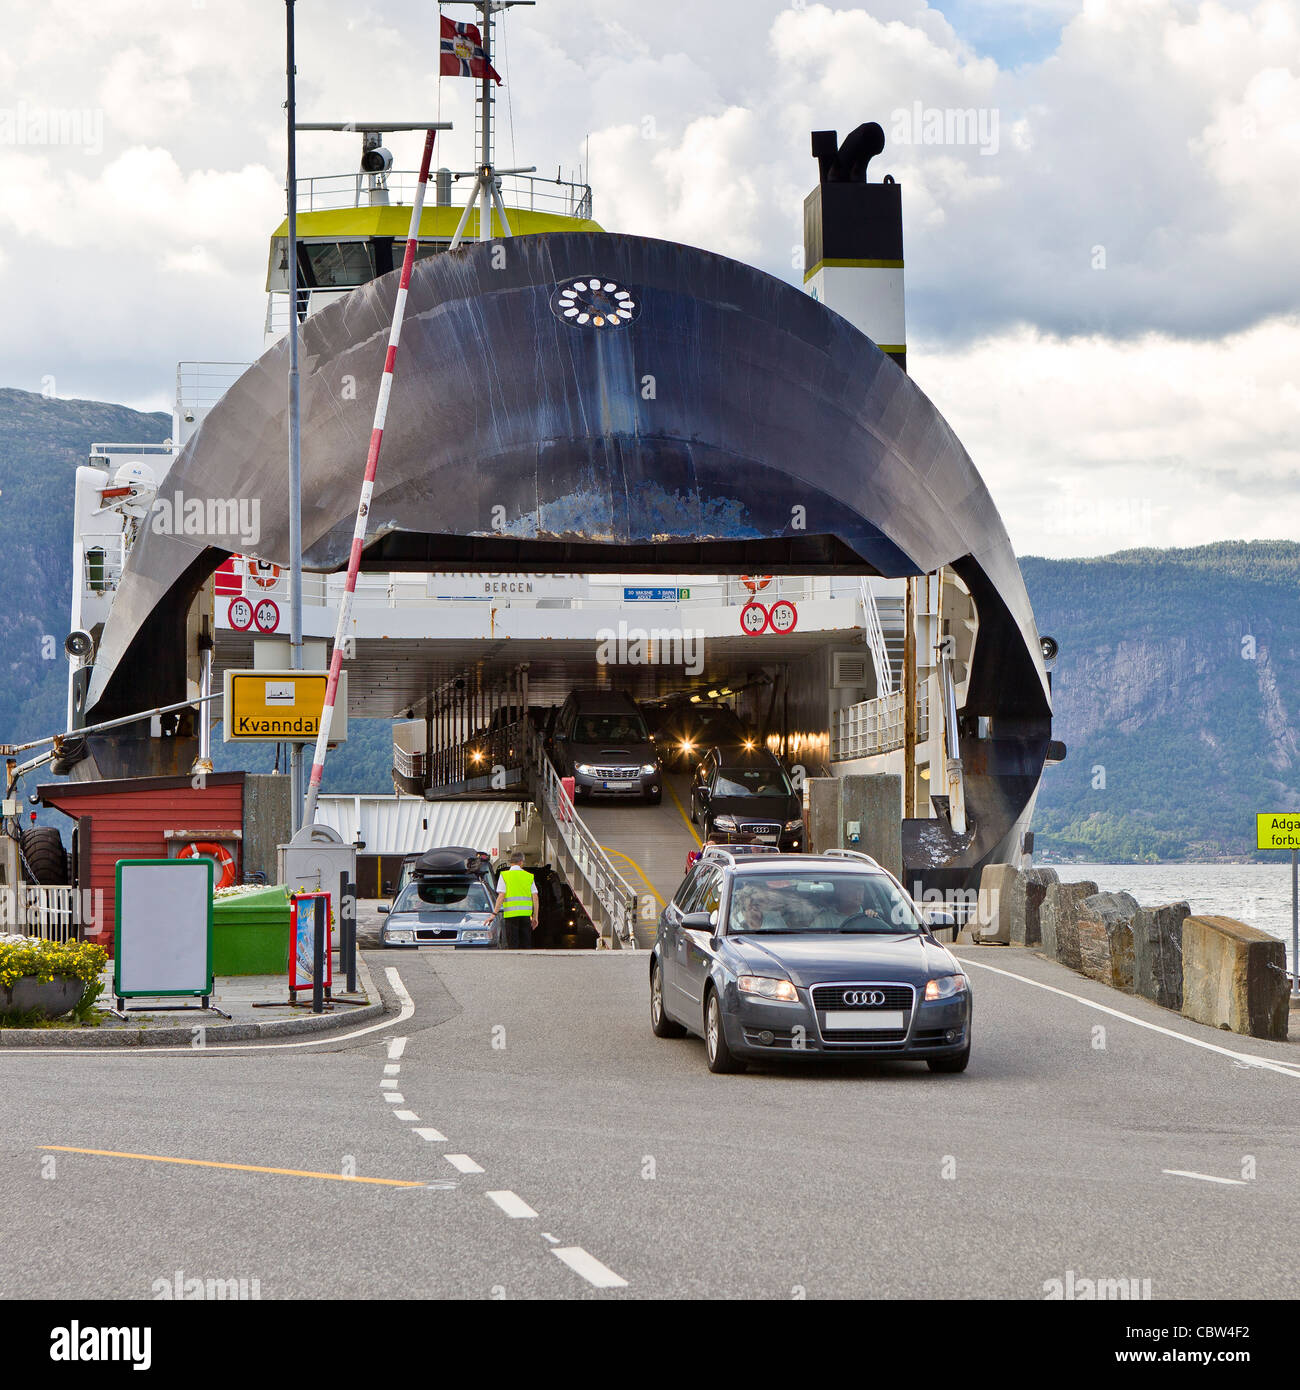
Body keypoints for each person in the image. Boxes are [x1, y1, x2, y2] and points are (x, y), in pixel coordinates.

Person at [494, 850, 538, 948]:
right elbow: (535, 897)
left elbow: (501, 895)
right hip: (525, 915)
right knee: (526, 943)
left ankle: (514, 962)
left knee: (512, 944)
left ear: (511, 862)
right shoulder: (529, 876)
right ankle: (526, 962)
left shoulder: (504, 875)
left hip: (510, 915)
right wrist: (535, 917)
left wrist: (494, 913)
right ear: (521, 862)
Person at [809, 878, 881, 931]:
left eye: (860, 889)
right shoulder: (824, 919)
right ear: (841, 893)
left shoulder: (869, 917)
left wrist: (873, 917)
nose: (857, 894)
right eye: (851, 890)